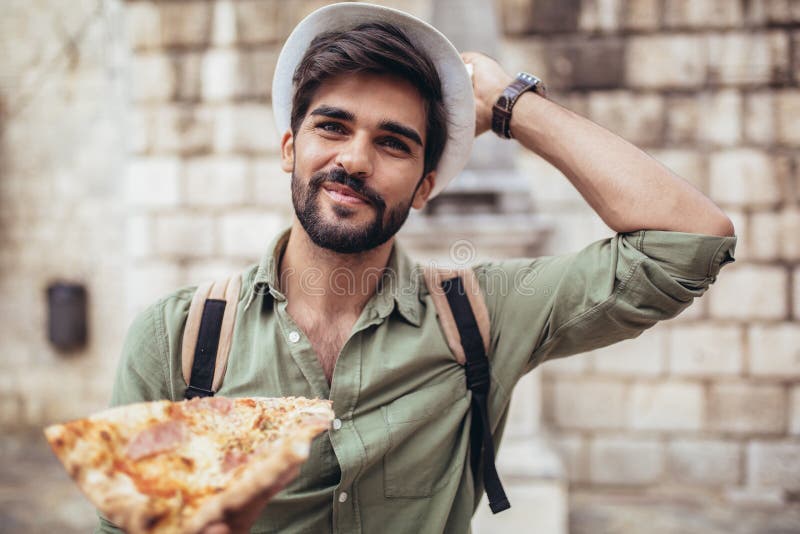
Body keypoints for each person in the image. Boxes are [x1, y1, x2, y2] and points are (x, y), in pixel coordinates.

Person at [98, 3, 736, 533]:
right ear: (290, 148)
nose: (353, 159)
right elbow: (124, 524)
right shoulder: (177, 338)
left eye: (393, 142)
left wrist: (512, 102)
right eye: (332, 126)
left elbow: (689, 240)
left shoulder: (482, 316)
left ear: (426, 186)